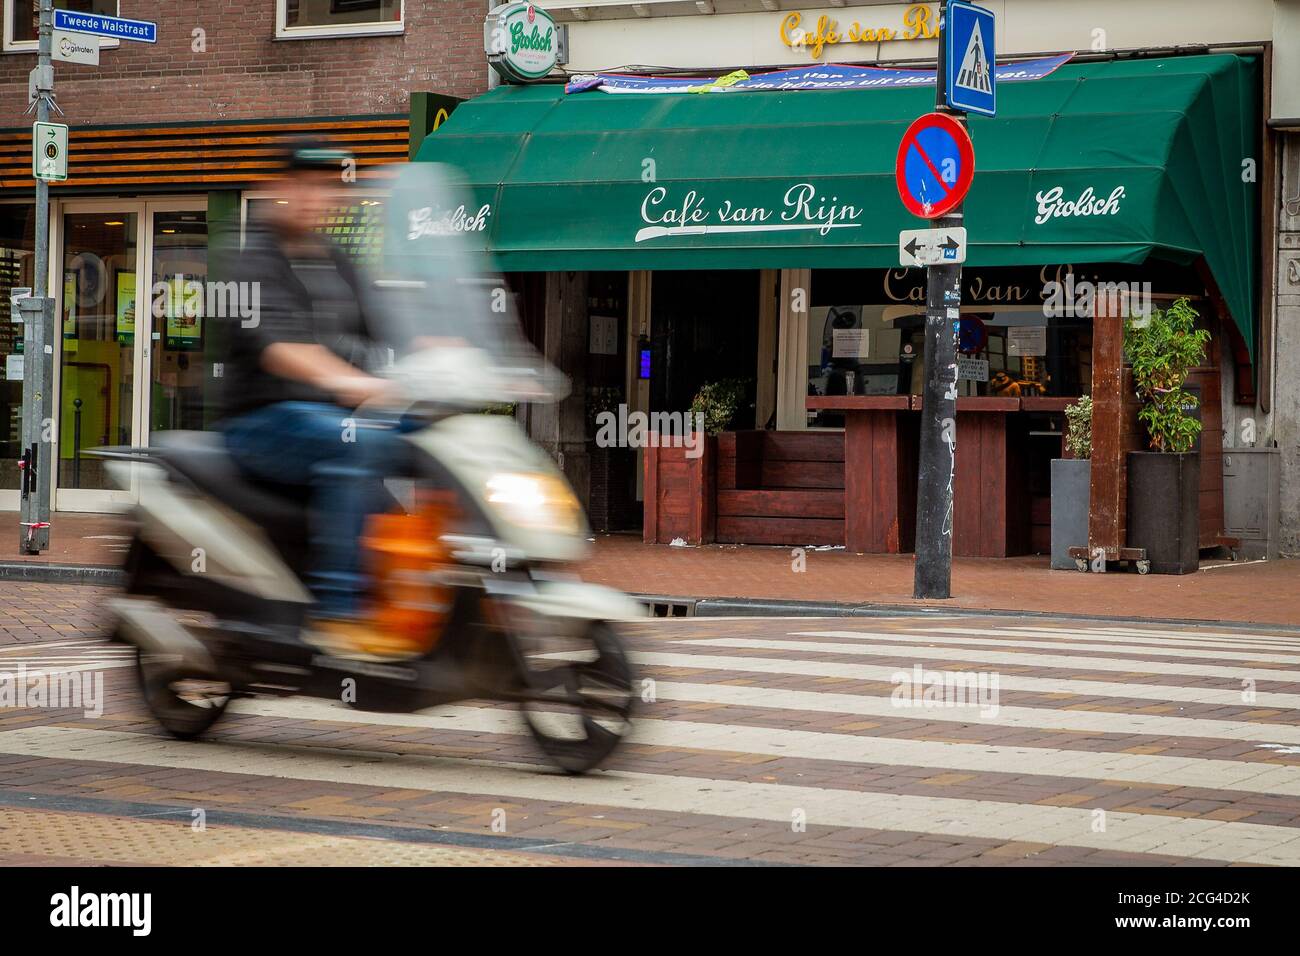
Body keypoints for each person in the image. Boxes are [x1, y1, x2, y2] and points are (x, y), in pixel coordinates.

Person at [218, 138, 406, 651]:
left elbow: (389, 325)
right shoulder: (255, 260)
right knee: (355, 443)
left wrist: (452, 355)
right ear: (277, 189)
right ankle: (338, 611)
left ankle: (428, 587)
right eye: (301, 186)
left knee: (430, 435)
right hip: (263, 420)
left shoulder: (338, 261)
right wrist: (350, 380)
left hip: (326, 416)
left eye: (324, 187)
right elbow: (279, 347)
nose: (313, 198)